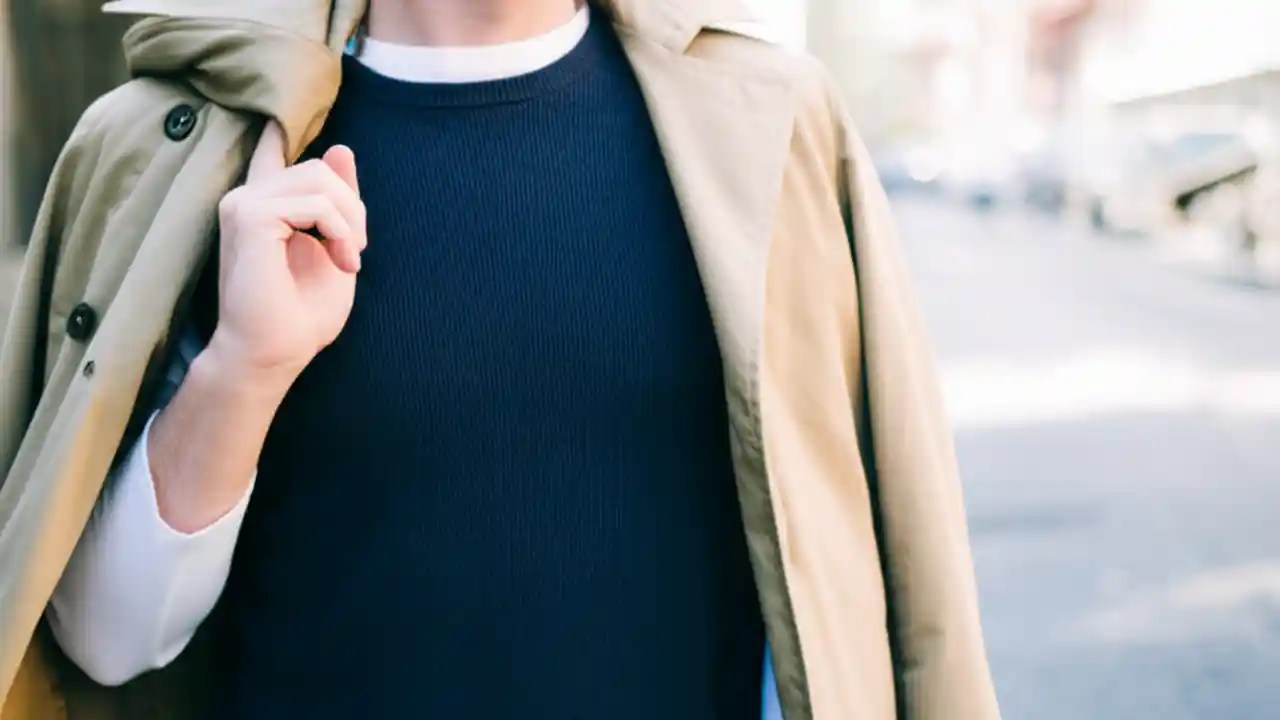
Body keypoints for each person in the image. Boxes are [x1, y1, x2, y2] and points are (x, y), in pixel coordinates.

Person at [0, 0, 1001, 718]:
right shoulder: (183, 147)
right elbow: (98, 645)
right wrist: (243, 368)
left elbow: (917, 600)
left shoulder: (769, 131)